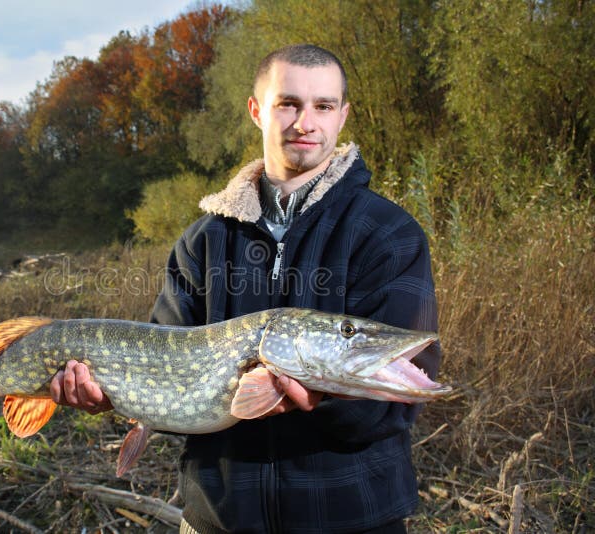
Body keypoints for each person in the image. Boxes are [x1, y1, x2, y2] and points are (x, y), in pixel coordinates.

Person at [50, 44, 441, 533]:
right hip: (219, 521)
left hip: (352, 518)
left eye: (322, 106)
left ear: (342, 116)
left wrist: (320, 398)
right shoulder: (202, 242)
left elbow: (395, 404)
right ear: (257, 111)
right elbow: (166, 387)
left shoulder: (388, 233)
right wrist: (108, 394)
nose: (306, 122)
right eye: (288, 104)